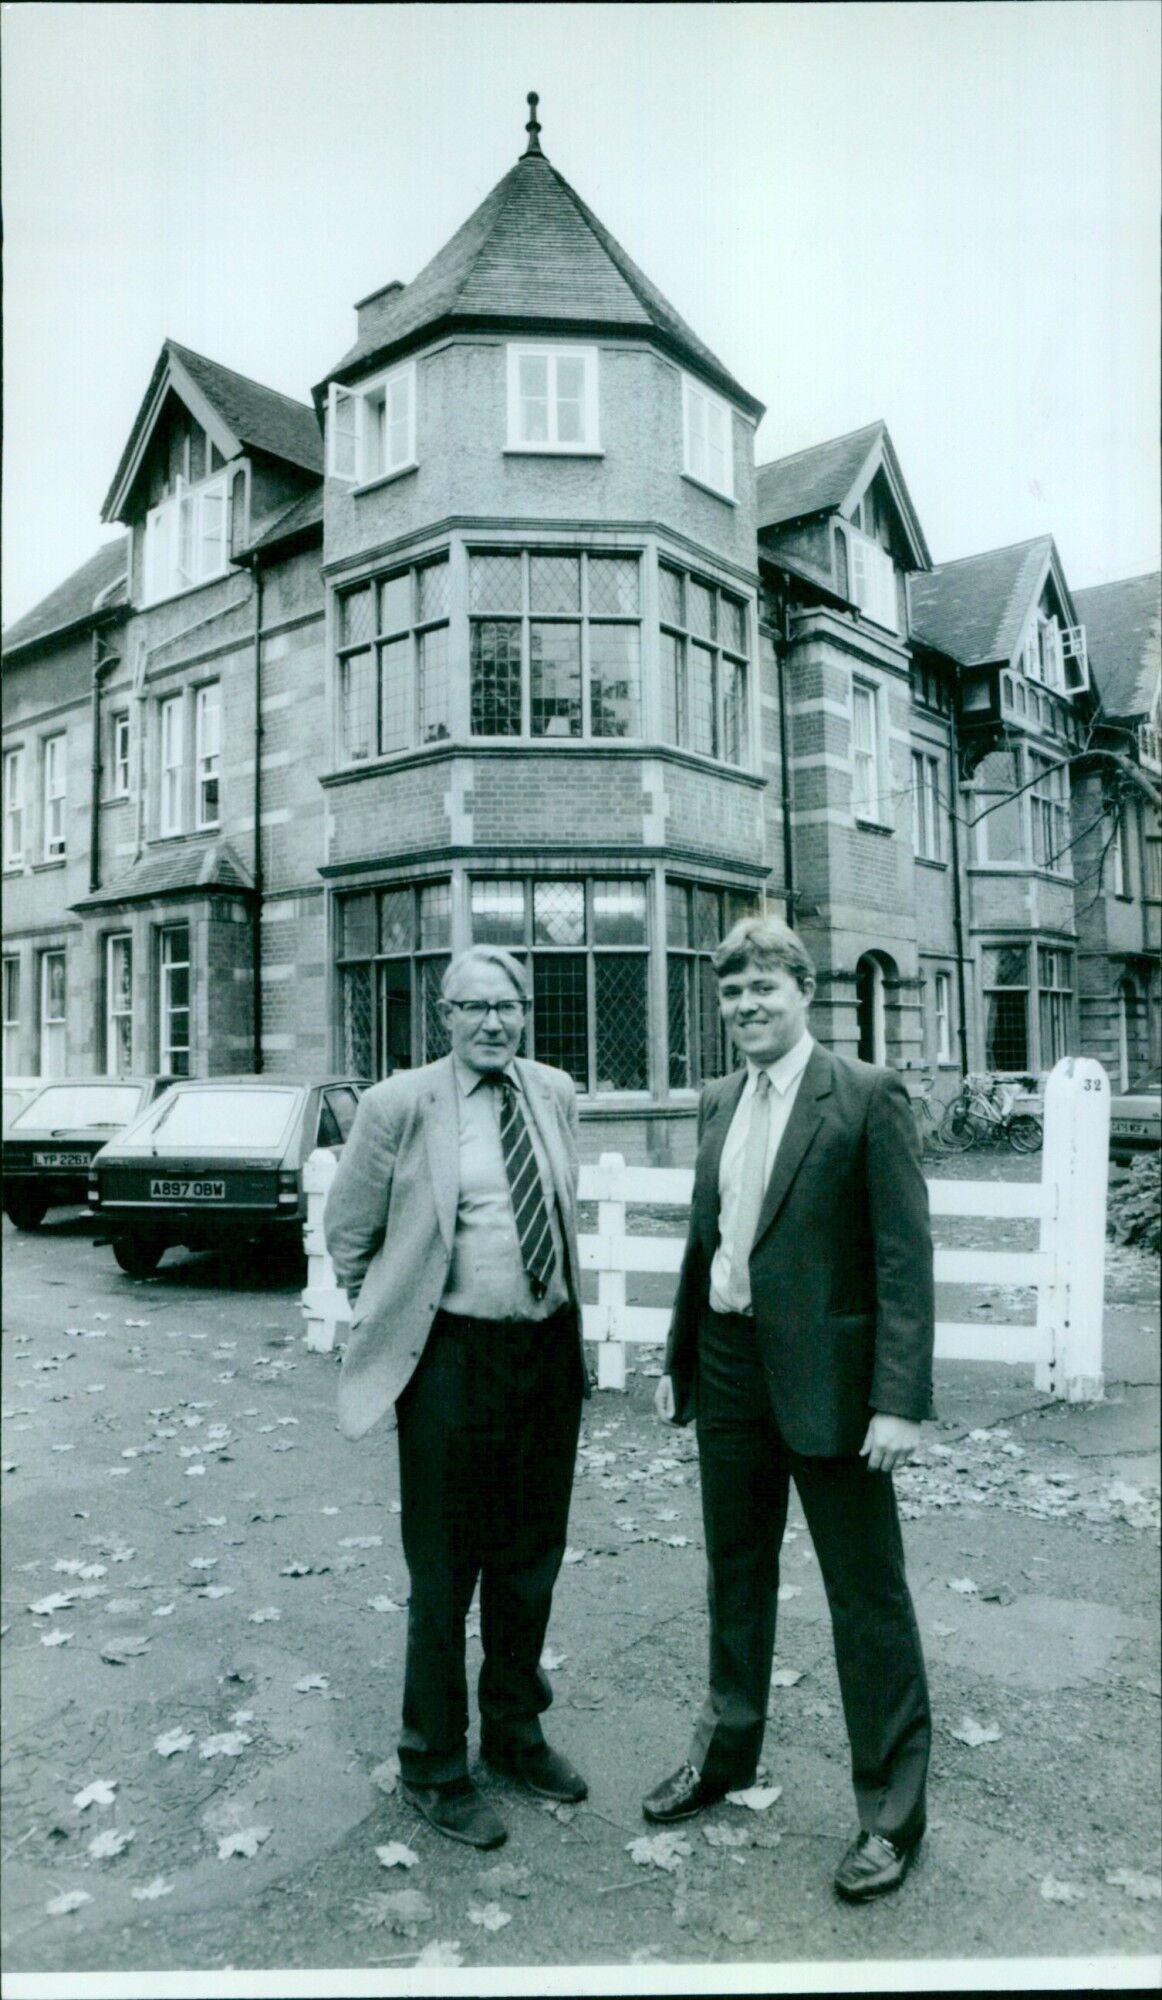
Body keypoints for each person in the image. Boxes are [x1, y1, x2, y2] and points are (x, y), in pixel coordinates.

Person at [643, 916, 934, 1902]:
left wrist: (897, 1401)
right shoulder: (718, 1099)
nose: (745, 1006)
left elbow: (903, 1259)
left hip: (834, 1389)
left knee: (867, 1596)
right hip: (728, 1366)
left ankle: (890, 1814)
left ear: (803, 990)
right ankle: (725, 1754)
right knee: (734, 1571)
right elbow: (709, 1238)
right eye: (730, 993)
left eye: (762, 988)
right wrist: (679, 1353)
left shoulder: (863, 1096)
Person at [324, 945, 589, 1851]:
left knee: (530, 1560)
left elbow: (557, 1209)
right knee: (443, 1574)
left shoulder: (551, 1091)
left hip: (546, 1356)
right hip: (450, 1363)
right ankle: (432, 1764)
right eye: (472, 1007)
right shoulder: (400, 1105)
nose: (492, 1022)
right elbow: (350, 1233)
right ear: (444, 1016)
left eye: (507, 1005)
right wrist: (396, 1322)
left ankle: (516, 1735)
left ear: (525, 1010)